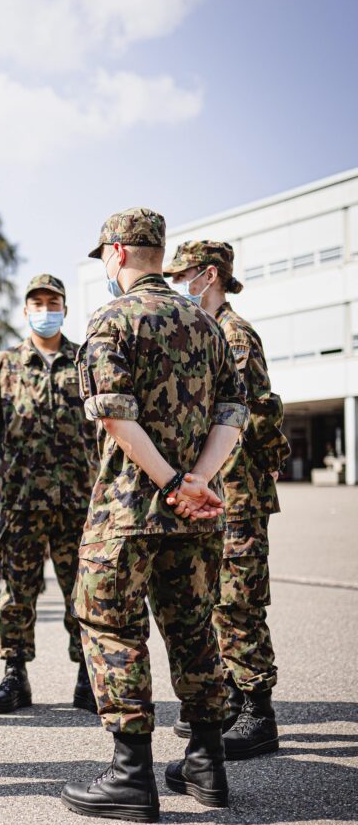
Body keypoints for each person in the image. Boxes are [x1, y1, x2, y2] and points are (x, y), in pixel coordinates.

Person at [61, 209, 248, 823]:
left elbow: (115, 414)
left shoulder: (112, 319)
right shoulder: (205, 322)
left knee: (113, 628)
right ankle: (207, 762)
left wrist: (169, 482)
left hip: (130, 511)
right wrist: (199, 482)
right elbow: (232, 413)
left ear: (116, 253)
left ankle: (131, 774)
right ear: (159, 253)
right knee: (196, 629)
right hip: (194, 515)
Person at [164, 241, 290, 759]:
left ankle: (259, 711)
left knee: (239, 598)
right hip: (217, 487)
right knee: (217, 595)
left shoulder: (234, 334)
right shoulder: (205, 331)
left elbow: (257, 411)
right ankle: (236, 697)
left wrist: (270, 458)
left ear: (210, 275)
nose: (176, 286)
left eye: (184, 276)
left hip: (238, 488)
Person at [0, 273, 98, 713]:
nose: (45, 309)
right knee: (16, 593)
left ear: (64, 307)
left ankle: (87, 675)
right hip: (21, 500)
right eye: (37, 303)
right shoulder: (5, 364)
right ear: (25, 311)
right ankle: (14, 675)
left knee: (82, 592)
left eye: (53, 301)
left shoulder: (86, 361)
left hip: (77, 500)